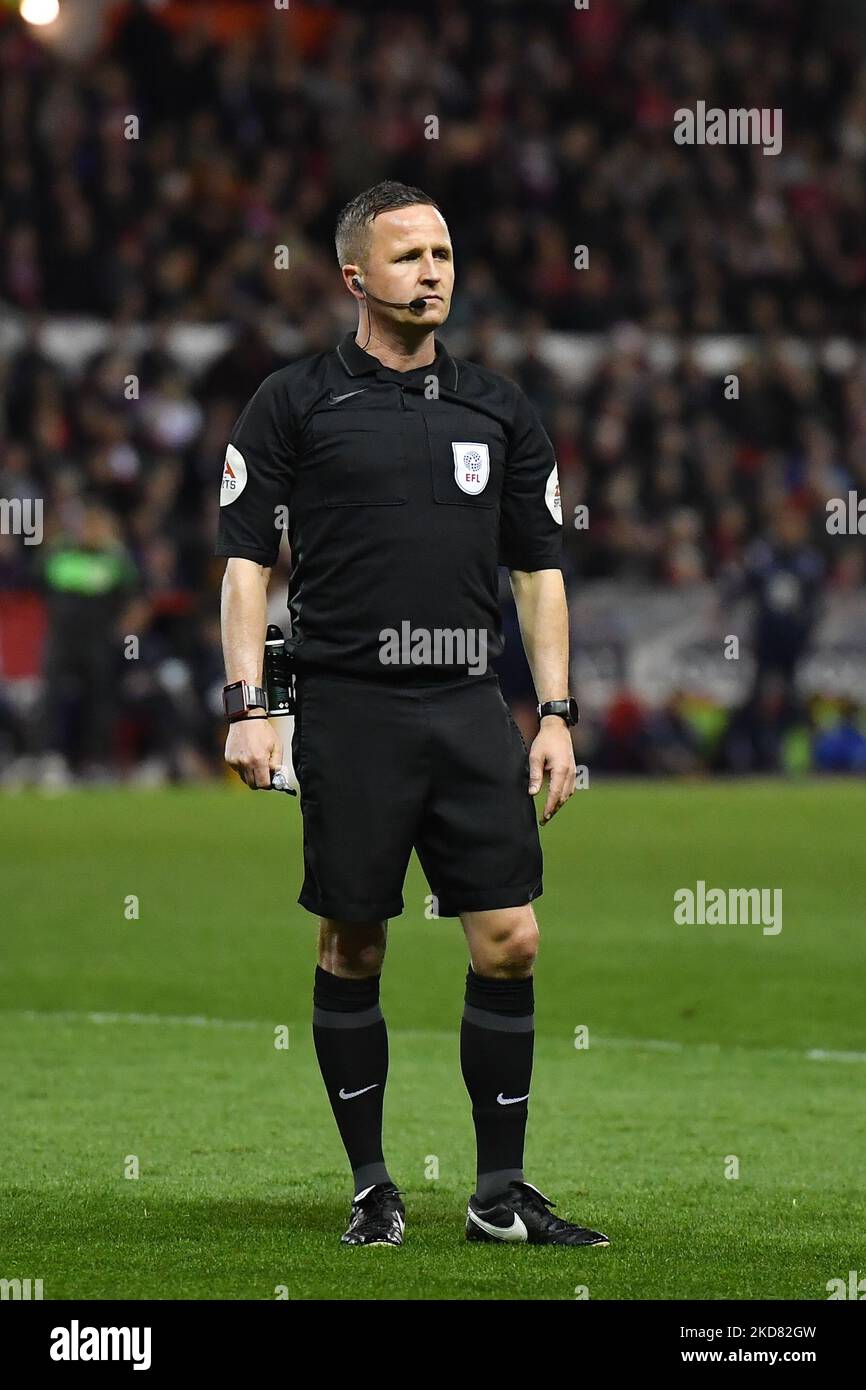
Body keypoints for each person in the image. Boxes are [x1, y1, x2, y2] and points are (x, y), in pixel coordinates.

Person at [216, 181, 608, 1249]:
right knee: (352, 944)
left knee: (512, 939)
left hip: (467, 704)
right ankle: (372, 1184)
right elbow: (247, 563)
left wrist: (557, 713)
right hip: (346, 708)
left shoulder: (498, 406)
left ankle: (496, 1194)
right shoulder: (292, 402)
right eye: (407, 257)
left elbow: (539, 572)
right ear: (353, 277)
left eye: (442, 252)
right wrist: (249, 704)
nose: (432, 271)